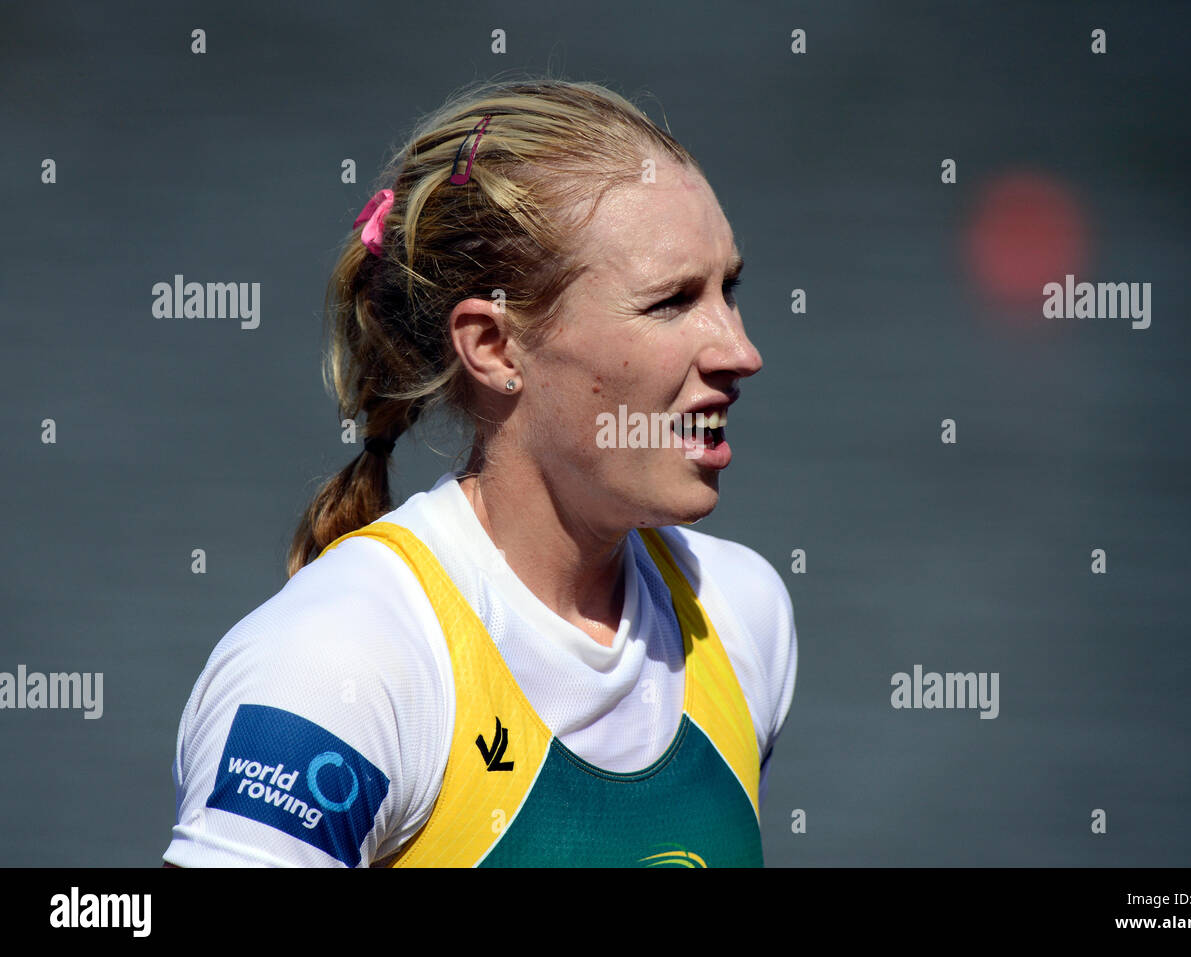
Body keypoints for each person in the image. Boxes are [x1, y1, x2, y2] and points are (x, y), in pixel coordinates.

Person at [162, 77, 797, 868]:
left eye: (727, 289)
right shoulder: (340, 667)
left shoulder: (739, 618)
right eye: (671, 302)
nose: (741, 351)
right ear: (494, 347)